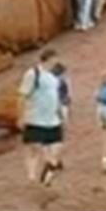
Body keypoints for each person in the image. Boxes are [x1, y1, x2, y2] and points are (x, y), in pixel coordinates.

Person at [18, 49, 64, 186]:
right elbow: (22, 96)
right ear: (49, 59)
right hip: (35, 118)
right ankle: (32, 178)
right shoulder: (33, 74)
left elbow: (55, 97)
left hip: (52, 120)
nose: (56, 62)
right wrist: (21, 116)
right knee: (34, 148)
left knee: (56, 148)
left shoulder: (53, 77)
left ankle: (47, 174)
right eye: (55, 59)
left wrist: (60, 112)